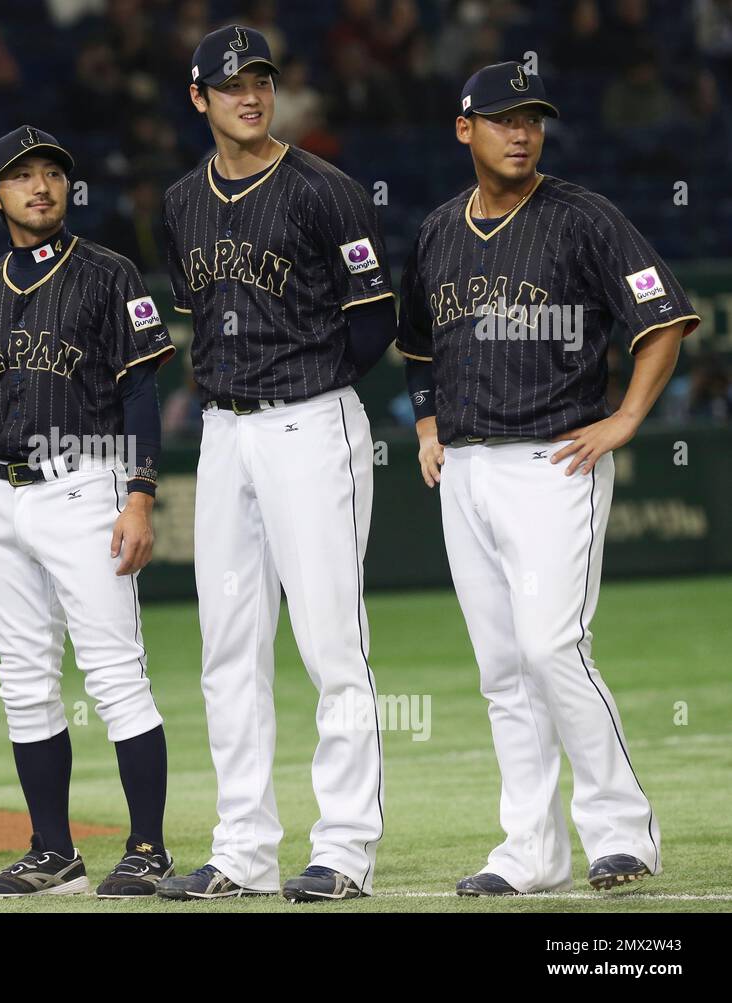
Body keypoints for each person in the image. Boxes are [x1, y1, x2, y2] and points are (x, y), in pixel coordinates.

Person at [395, 62, 699, 895]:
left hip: (555, 460)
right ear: (466, 130)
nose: (521, 132)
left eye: (531, 119)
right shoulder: (437, 231)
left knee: (550, 644)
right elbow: (416, 340)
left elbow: (662, 317)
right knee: (502, 665)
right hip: (465, 467)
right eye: (501, 119)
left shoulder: (583, 218)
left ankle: (622, 830)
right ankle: (530, 847)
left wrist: (627, 418)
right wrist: (425, 424)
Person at [157, 26, 394, 903]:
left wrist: (311, 385)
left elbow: (373, 319)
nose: (249, 96)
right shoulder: (181, 201)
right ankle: (243, 848)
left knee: (332, 641)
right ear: (199, 99)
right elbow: (198, 316)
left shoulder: (324, 189)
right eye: (230, 85)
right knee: (227, 647)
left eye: (260, 80)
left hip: (309, 425)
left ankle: (344, 849)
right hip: (225, 434)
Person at [0, 126, 177, 898]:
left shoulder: (109, 273)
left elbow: (142, 387)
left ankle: (147, 847)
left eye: (51, 173)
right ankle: (53, 850)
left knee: (113, 673)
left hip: (87, 483)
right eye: (21, 177)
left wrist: (141, 493)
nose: (40, 186)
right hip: (3, 499)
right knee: (23, 679)